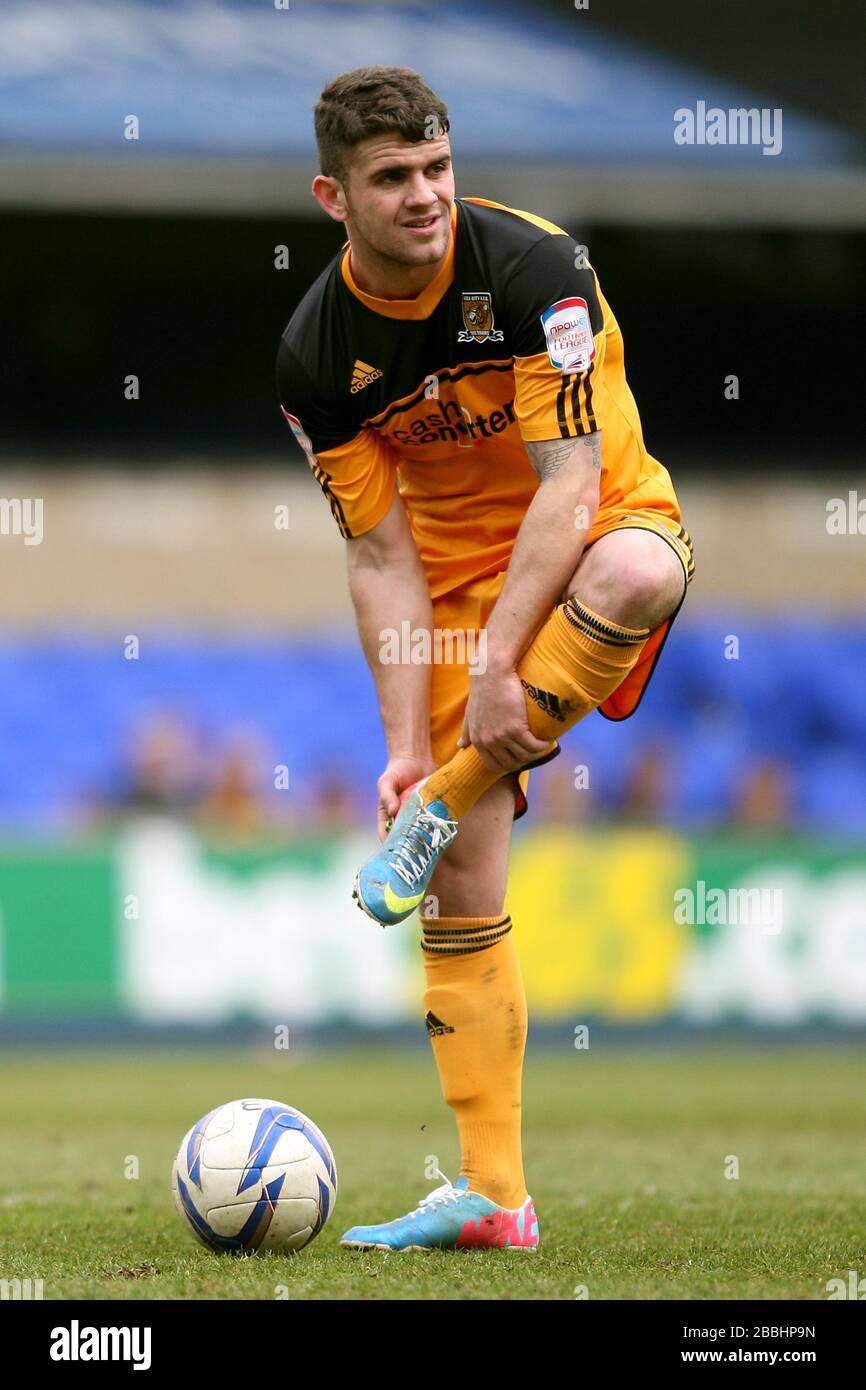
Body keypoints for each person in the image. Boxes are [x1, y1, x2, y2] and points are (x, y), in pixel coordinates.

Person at [276, 66, 694, 1252]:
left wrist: (503, 673)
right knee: (460, 887)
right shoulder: (316, 355)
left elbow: (568, 495)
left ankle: (453, 795)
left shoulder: (535, 273)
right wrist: (408, 750)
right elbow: (377, 559)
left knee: (635, 578)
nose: (424, 196)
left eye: (437, 169)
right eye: (392, 177)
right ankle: (495, 1199)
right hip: (460, 593)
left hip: (600, 529)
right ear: (333, 195)